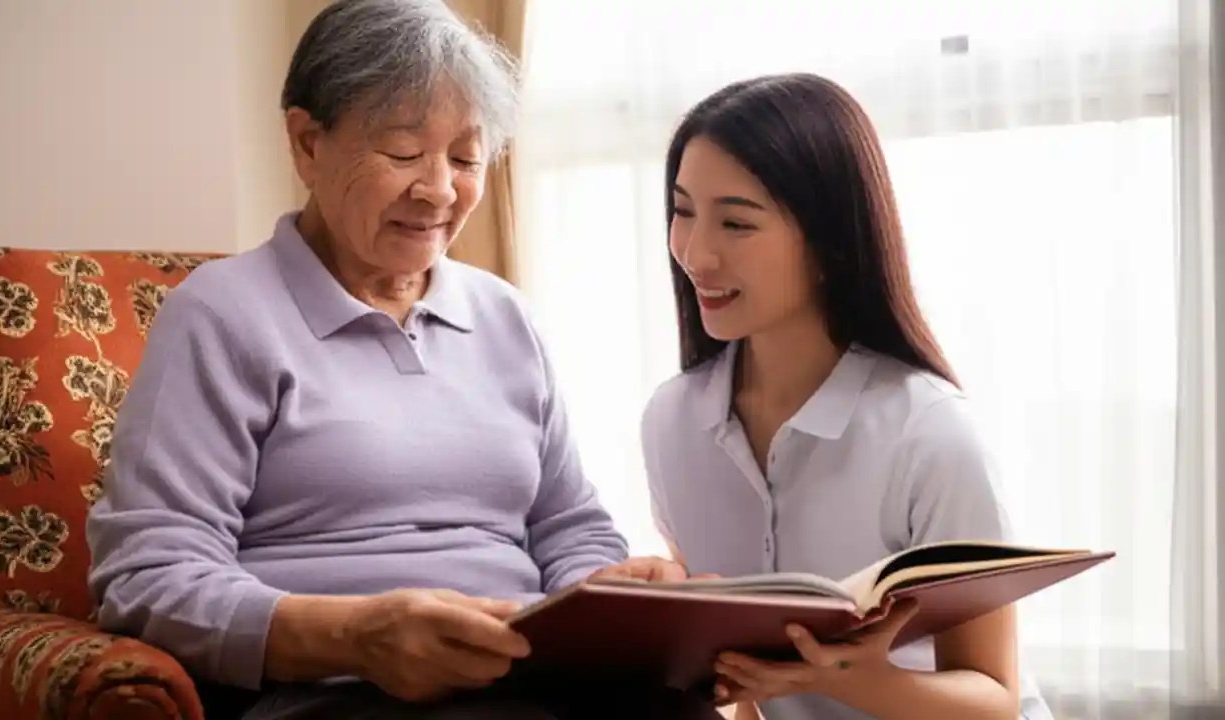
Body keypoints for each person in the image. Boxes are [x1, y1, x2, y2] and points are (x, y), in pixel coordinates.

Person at [85, 1, 717, 718]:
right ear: (307, 144)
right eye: (404, 152)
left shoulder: (504, 316)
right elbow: (148, 574)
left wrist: (607, 593)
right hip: (333, 694)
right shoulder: (221, 314)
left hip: (527, 677)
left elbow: (567, 525)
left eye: (466, 158)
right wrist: (354, 638)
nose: (439, 189)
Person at [640, 73, 1053, 720]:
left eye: (736, 223)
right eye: (684, 211)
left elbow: (995, 700)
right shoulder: (673, 422)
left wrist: (850, 680)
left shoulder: (929, 433)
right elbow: (745, 681)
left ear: (830, 242)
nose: (696, 253)